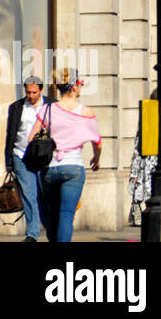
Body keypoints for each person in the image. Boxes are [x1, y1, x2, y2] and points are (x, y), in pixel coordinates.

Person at [28, 69, 100, 243]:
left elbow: (31, 138)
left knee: (52, 216)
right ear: (75, 87)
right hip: (73, 168)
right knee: (66, 214)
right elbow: (97, 142)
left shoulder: (47, 110)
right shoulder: (86, 111)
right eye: (80, 84)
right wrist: (96, 159)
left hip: (49, 169)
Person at [3, 76, 46, 241]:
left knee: (45, 195)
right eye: (28, 92)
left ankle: (50, 227)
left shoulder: (51, 105)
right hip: (21, 155)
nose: (31, 95)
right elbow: (10, 135)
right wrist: (9, 161)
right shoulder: (16, 107)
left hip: (44, 158)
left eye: (34, 92)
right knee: (29, 195)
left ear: (41, 90)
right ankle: (32, 234)